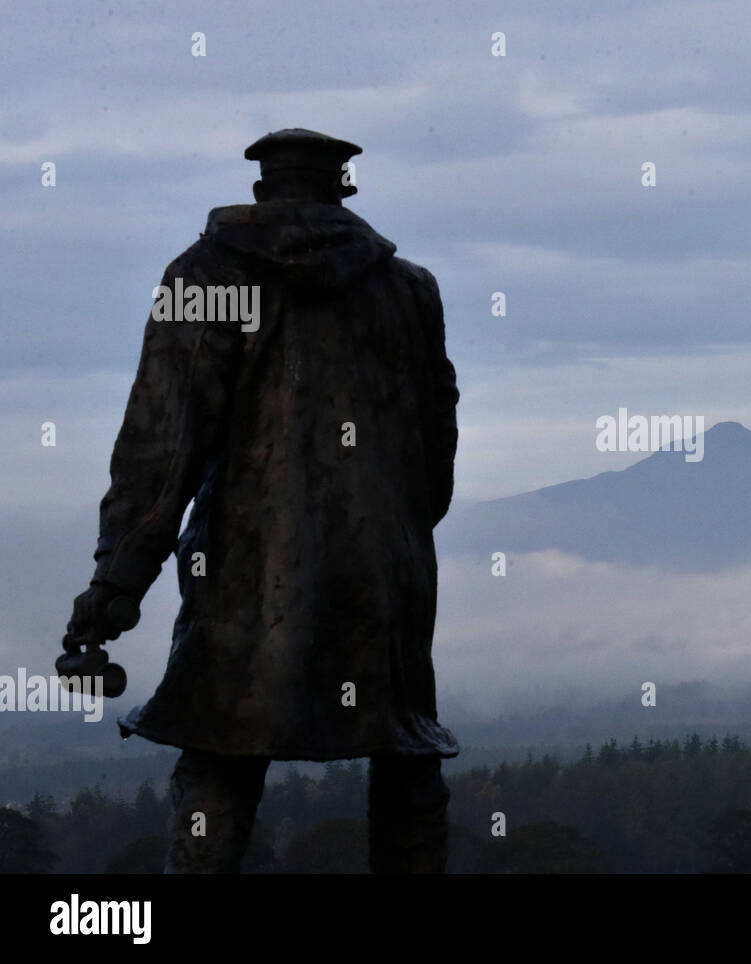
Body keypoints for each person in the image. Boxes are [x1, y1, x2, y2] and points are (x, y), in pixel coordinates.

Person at [62, 128, 460, 873]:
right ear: (343, 189)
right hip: (386, 573)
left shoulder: (206, 277)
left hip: (246, 570)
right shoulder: (410, 290)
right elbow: (434, 461)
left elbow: (162, 448)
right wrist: (393, 533)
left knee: (221, 746)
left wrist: (117, 582)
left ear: (259, 191)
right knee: (405, 758)